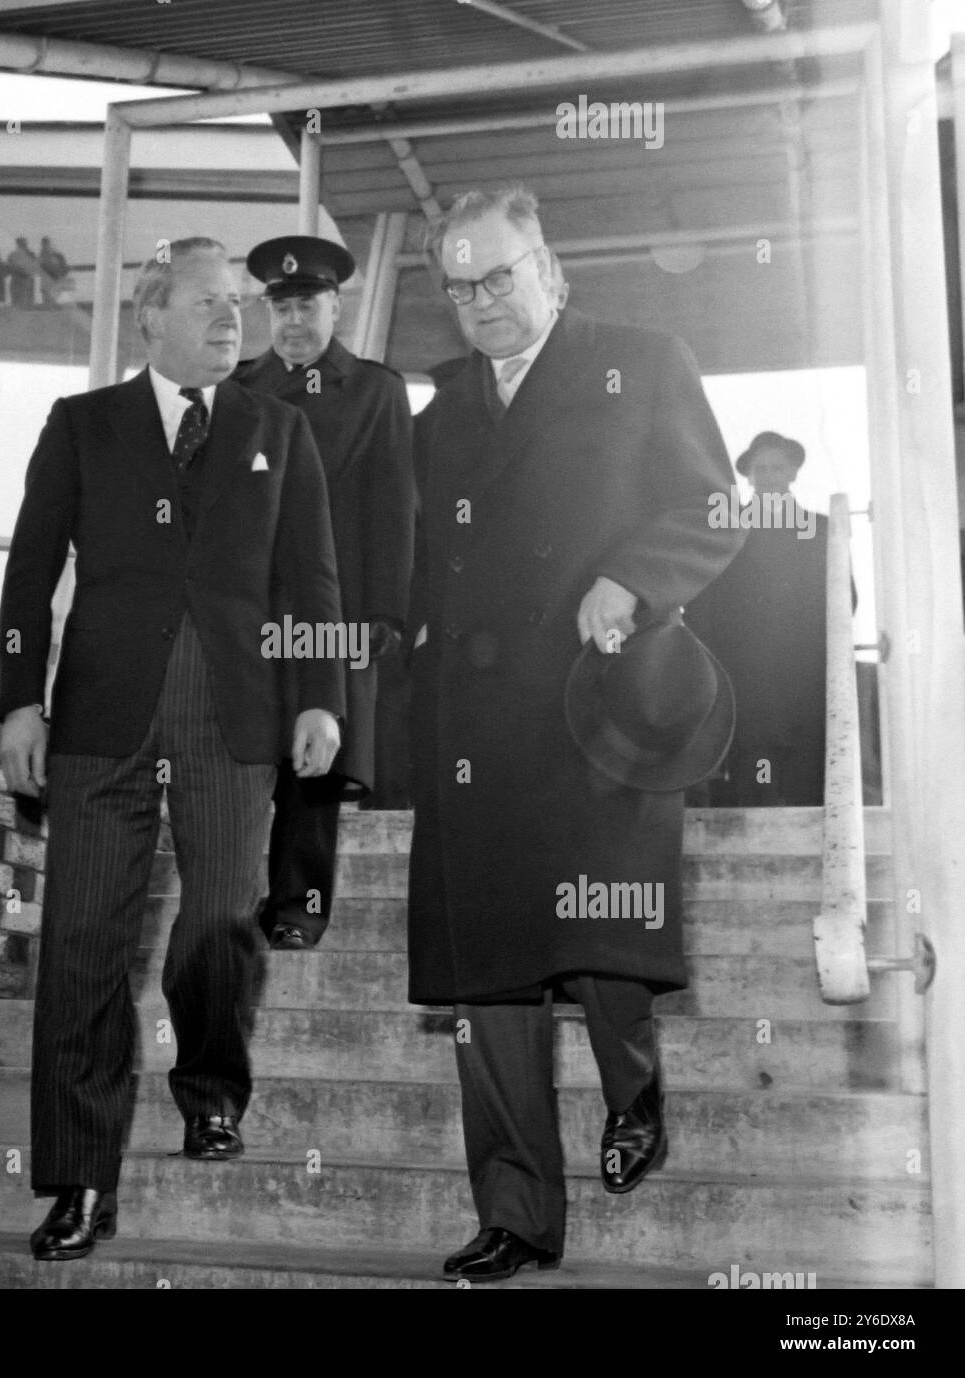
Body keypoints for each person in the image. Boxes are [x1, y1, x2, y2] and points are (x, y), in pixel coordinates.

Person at [407, 183, 745, 1281]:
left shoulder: (641, 359)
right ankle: (513, 1213)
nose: (479, 304)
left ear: (546, 266)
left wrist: (629, 581)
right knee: (488, 978)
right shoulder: (438, 412)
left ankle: (632, 1087)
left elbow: (713, 506)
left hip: (600, 701)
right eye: (457, 289)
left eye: (497, 278)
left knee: (602, 931)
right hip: (475, 719)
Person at [0, 237, 345, 1262]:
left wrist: (319, 697)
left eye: (234, 302)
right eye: (205, 301)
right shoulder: (82, 424)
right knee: (80, 947)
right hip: (101, 719)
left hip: (231, 718)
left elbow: (311, 581)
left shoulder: (280, 430)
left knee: (223, 919)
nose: (231, 315)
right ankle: (75, 1178)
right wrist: (20, 701)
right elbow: (27, 574)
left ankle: (211, 1089)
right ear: (148, 319)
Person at [234, 235, 414, 949]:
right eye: (280, 308)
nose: (293, 322)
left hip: (333, 606)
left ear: (336, 306)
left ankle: (298, 907)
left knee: (314, 762)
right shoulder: (239, 388)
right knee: (249, 750)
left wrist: (385, 615)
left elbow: (394, 509)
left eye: (306, 304)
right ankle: (233, 893)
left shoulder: (376, 391)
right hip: (248, 605)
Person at [684, 431, 834, 806]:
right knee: (754, 747)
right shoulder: (728, 529)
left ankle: (808, 819)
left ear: (793, 473)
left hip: (803, 661)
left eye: (777, 467)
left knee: (805, 747)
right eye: (760, 468)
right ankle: (754, 816)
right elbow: (704, 597)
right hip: (743, 662)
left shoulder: (818, 528)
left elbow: (841, 594)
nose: (768, 475)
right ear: (749, 476)